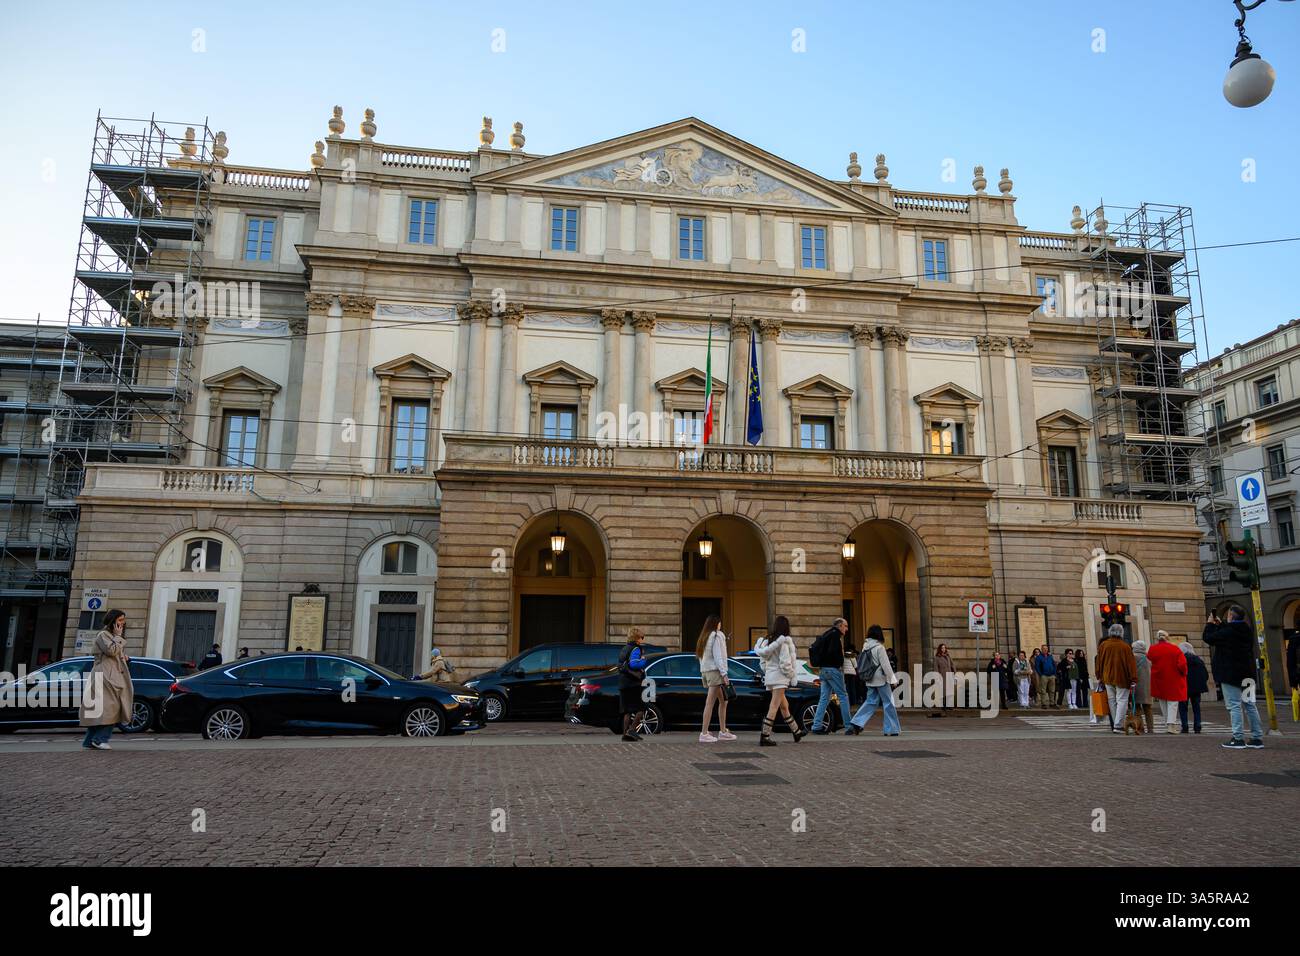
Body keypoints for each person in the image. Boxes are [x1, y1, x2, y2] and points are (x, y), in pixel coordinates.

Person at [1202, 608, 1264, 749]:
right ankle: (1257, 738)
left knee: (1234, 706)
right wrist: (1221, 624)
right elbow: (1231, 632)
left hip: (1230, 674)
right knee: (1250, 706)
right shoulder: (1247, 630)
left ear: (1230, 615)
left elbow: (1208, 638)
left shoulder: (1227, 632)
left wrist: (1210, 624)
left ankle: (1238, 738)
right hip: (1247, 674)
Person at [79, 609, 132, 751]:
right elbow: (111, 651)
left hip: (111, 675)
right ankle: (99, 739)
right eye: (120, 620)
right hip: (105, 676)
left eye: (123, 620)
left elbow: (115, 653)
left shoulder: (110, 636)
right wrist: (118, 636)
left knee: (102, 711)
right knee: (111, 709)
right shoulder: (104, 635)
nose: (123, 623)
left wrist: (124, 657)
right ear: (112, 620)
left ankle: (90, 741)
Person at [753, 616, 805, 746]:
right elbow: (785, 664)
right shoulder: (783, 643)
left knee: (784, 706)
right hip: (780, 678)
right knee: (774, 706)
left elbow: (762, 662)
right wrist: (791, 675)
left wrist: (769, 671)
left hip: (771, 677)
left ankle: (796, 731)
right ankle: (765, 736)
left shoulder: (769, 642)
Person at [845, 625, 900, 735]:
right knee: (888, 703)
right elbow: (886, 666)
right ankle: (891, 729)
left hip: (869, 678)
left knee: (870, 702)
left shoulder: (865, 646)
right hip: (881, 679)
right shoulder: (880, 647)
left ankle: (856, 723)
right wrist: (893, 680)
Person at [810, 617, 851, 734]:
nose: (846, 629)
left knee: (824, 698)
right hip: (833, 670)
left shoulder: (826, 634)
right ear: (839, 626)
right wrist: (840, 662)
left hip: (823, 670)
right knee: (843, 696)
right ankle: (849, 726)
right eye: (845, 626)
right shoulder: (835, 636)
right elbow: (833, 652)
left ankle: (816, 726)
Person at [696, 614, 734, 742]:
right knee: (710, 702)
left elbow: (701, 657)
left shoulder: (704, 637)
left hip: (706, 671)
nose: (720, 625)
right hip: (715, 671)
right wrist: (724, 674)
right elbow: (718, 656)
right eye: (719, 623)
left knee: (724, 701)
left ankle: (722, 731)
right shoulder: (717, 636)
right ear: (716, 624)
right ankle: (704, 733)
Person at [1096, 623, 1137, 734]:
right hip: (1122, 677)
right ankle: (1118, 725)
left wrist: (1099, 675)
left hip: (1107, 676)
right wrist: (1133, 679)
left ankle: (1116, 724)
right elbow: (1131, 664)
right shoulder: (1125, 646)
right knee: (1122, 700)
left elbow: (1099, 662)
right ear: (1121, 633)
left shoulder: (1103, 645)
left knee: (1112, 701)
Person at [1147, 630, 1187, 734]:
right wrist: (1184, 673)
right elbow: (1182, 665)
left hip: (1158, 679)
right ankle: (1171, 725)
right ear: (1167, 637)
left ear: (1157, 638)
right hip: (1173, 679)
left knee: (1163, 702)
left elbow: (1149, 659)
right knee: (1172, 703)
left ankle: (1167, 723)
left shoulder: (1152, 649)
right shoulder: (1175, 649)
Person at [617, 626, 648, 742]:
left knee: (627, 711)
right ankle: (632, 730)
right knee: (641, 708)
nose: (643, 639)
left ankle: (625, 734)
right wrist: (644, 660)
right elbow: (634, 665)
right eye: (642, 637)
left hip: (623, 683)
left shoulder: (624, 648)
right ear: (637, 638)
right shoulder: (636, 649)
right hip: (632, 683)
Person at [1178, 641, 1208, 734]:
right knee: (1196, 707)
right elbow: (1206, 675)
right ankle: (1197, 726)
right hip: (1197, 688)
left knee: (1183, 708)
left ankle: (1185, 726)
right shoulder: (1199, 660)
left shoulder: (1181, 660)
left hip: (1184, 687)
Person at [1131, 640, 1154, 733]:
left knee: (1137, 709)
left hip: (1136, 685)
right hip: (1148, 686)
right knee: (1148, 708)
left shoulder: (1133, 657)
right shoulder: (1149, 657)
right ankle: (1150, 728)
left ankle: (1140, 728)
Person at [1034, 645, 1057, 709]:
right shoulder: (1039, 657)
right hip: (1044, 675)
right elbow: (1037, 667)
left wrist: (1054, 673)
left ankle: (1052, 703)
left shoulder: (1050, 656)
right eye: (1044, 649)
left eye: (1046, 648)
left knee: (1052, 690)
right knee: (1043, 690)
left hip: (1052, 675)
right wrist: (1041, 674)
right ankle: (1043, 704)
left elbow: (1054, 664)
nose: (1045, 650)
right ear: (1041, 649)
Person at [934, 643, 955, 709]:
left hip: (949, 676)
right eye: (942, 648)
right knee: (942, 692)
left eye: (944, 648)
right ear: (940, 649)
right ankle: (943, 705)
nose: (943, 649)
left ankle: (949, 705)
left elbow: (952, 665)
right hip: (942, 676)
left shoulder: (948, 656)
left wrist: (954, 672)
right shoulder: (937, 658)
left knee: (950, 691)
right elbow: (936, 668)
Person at [842, 637, 859, 708]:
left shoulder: (843, 656)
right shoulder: (852, 656)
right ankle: (854, 702)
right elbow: (855, 666)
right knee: (853, 688)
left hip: (845, 673)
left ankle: (848, 702)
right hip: (852, 674)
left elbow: (842, 665)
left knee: (847, 688)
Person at [1075, 649, 1092, 719]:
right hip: (1080, 678)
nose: (1081, 654)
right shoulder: (1076, 661)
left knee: (1085, 691)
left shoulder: (1084, 660)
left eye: (1082, 653)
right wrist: (1080, 678)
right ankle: (1079, 703)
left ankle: (1085, 703)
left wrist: (1087, 676)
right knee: (1078, 691)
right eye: (1080, 653)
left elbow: (1085, 669)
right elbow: (1078, 670)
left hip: (1085, 678)